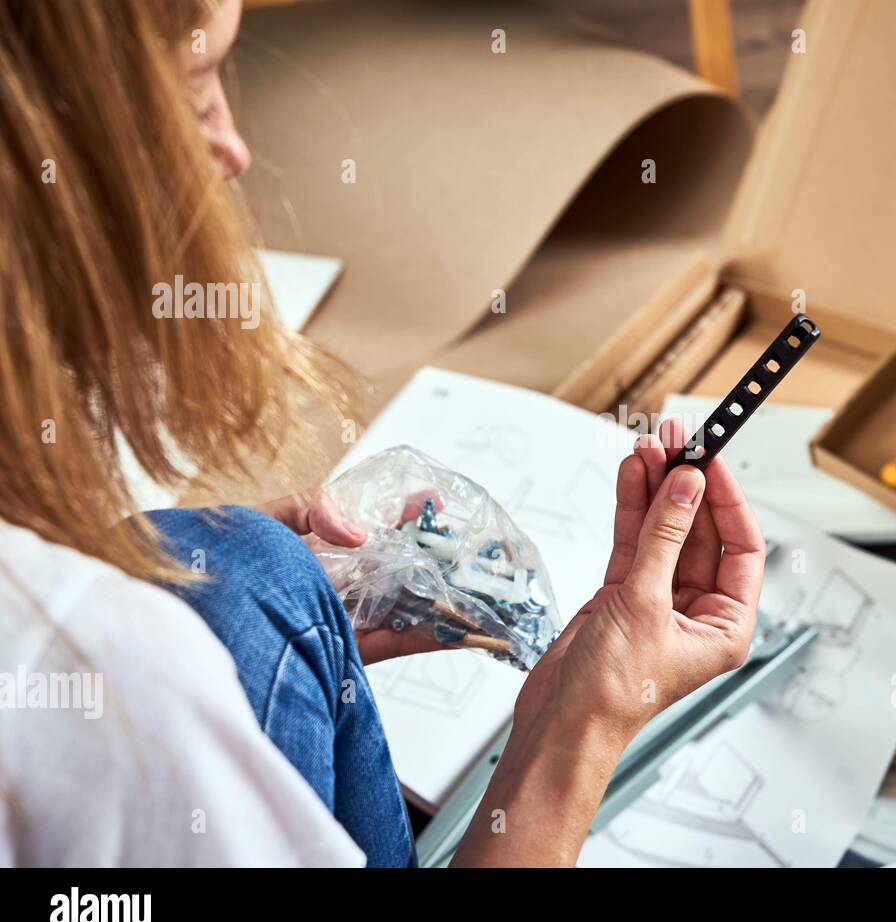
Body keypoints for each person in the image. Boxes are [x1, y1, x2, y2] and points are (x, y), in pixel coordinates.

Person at [0, 0, 762, 867]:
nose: (234, 153)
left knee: (242, 565)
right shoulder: (120, 693)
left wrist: (241, 595)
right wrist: (578, 726)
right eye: (198, 90)